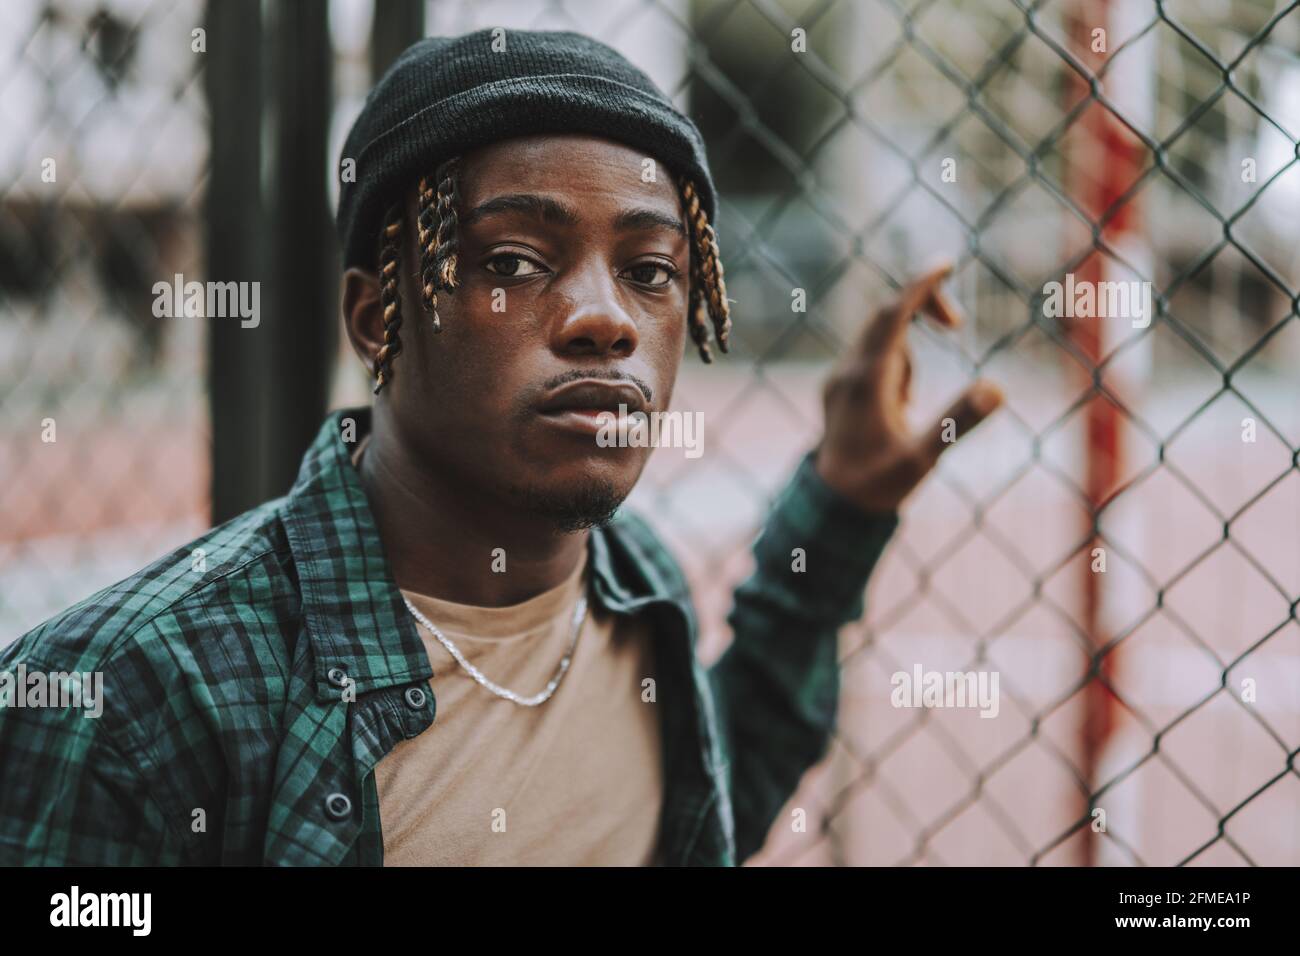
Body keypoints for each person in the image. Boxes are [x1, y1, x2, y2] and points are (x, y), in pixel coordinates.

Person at [0, 28, 1002, 865]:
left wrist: (840, 502)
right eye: (517, 261)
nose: (605, 319)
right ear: (374, 315)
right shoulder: (125, 699)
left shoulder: (631, 589)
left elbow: (714, 794)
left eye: (652, 271)